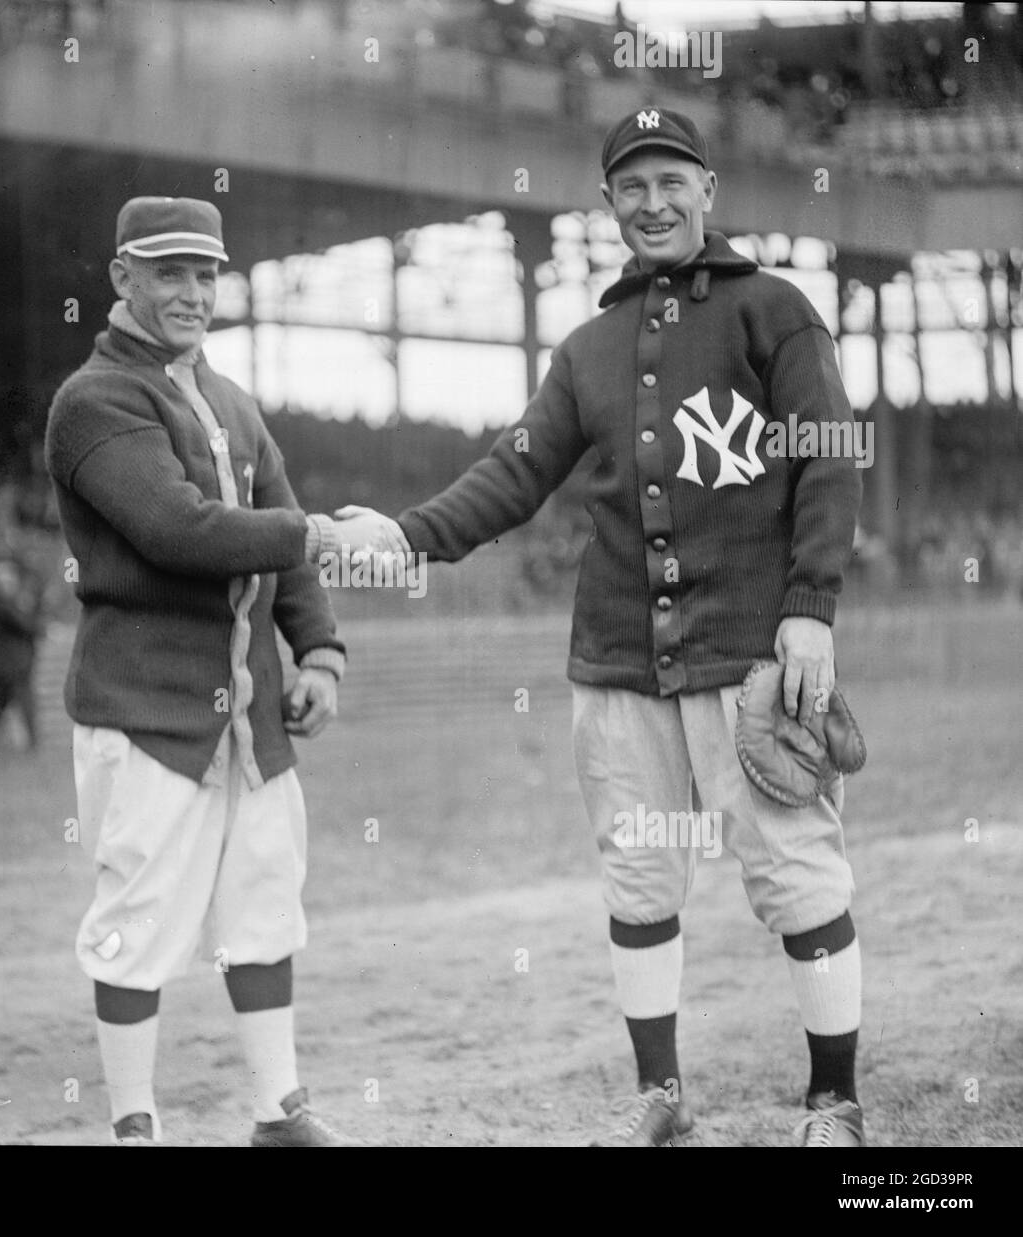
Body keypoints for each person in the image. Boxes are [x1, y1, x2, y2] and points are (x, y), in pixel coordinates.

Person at [345, 109, 867, 1147]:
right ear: (607, 204)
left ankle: (833, 1100)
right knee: (638, 869)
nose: (653, 202)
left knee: (791, 866)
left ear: (707, 189)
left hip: (749, 652)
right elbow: (515, 472)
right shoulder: (587, 347)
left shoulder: (773, 311)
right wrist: (406, 536)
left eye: (671, 180)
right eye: (631, 187)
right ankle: (659, 1096)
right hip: (620, 653)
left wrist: (810, 609)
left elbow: (828, 456)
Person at [44, 196, 405, 1147]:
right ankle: (134, 1124)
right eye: (170, 273)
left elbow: (281, 550)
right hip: (147, 707)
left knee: (263, 902)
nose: (193, 293)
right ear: (123, 278)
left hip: (250, 718)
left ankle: (276, 1110)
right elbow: (177, 530)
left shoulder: (234, 402)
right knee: (138, 916)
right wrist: (327, 533)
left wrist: (319, 650)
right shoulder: (96, 400)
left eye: (206, 275)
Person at [0, 557, 43, 750]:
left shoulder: (13, 604)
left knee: (4, 705)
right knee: (20, 703)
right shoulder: (2, 607)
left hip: (17, 663)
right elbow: (26, 625)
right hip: (10, 664)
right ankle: (31, 742)